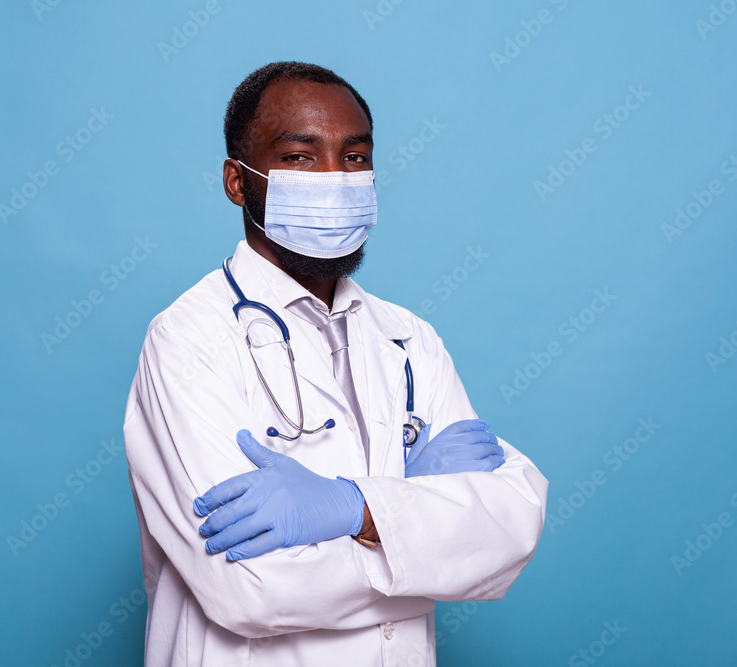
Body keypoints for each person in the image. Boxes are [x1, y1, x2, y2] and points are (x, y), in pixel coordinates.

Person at [123, 61, 548, 667]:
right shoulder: (187, 339)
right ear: (237, 182)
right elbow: (249, 590)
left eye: (354, 158)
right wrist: (420, 525)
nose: (333, 177)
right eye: (299, 157)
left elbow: (511, 527)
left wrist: (355, 507)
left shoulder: (408, 339)